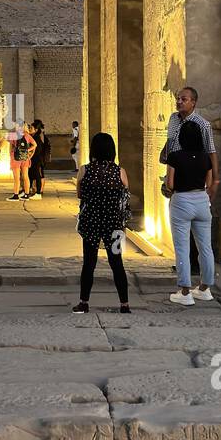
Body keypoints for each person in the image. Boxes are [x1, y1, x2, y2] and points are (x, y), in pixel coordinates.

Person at [73, 132, 132, 314]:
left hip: (91, 224)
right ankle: (124, 304)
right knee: (117, 264)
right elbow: (125, 197)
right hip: (114, 226)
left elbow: (79, 194)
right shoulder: (119, 172)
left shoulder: (85, 170)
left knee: (89, 264)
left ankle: (84, 302)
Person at [165, 118, 217, 305]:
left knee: (182, 248)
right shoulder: (205, 157)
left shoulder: (175, 157)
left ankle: (185, 291)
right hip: (202, 200)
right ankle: (205, 287)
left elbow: (170, 183)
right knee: (205, 247)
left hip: (182, 201)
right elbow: (209, 183)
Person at [6, 119, 36, 200]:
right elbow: (34, 145)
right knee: (26, 176)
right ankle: (26, 194)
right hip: (25, 157)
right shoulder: (27, 135)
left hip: (15, 158)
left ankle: (16, 195)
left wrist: (10, 156)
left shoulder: (13, 134)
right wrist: (27, 150)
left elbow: (10, 147)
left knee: (16, 178)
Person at [28, 118, 51, 198]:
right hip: (37, 158)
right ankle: (34, 190)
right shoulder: (36, 136)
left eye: (31, 128)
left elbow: (38, 149)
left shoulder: (37, 137)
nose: (29, 129)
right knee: (33, 175)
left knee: (38, 175)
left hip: (38, 159)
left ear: (36, 129)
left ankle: (39, 192)